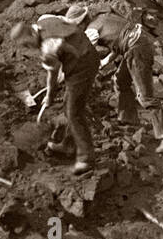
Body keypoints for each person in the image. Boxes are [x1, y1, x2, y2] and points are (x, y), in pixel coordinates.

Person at [66, 4, 163, 154]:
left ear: (82, 22)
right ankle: (128, 119)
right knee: (120, 80)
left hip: (137, 50)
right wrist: (105, 61)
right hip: (136, 45)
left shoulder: (91, 30)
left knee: (145, 96)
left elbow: (85, 54)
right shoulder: (104, 18)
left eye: (77, 26)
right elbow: (120, 40)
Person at [11, 14, 100, 174]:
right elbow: (71, 24)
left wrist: (49, 97)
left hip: (82, 67)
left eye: (26, 44)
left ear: (31, 34)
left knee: (73, 113)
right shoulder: (45, 19)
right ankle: (68, 145)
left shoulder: (47, 48)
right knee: (69, 107)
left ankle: (86, 159)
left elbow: (52, 77)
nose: (28, 48)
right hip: (87, 53)